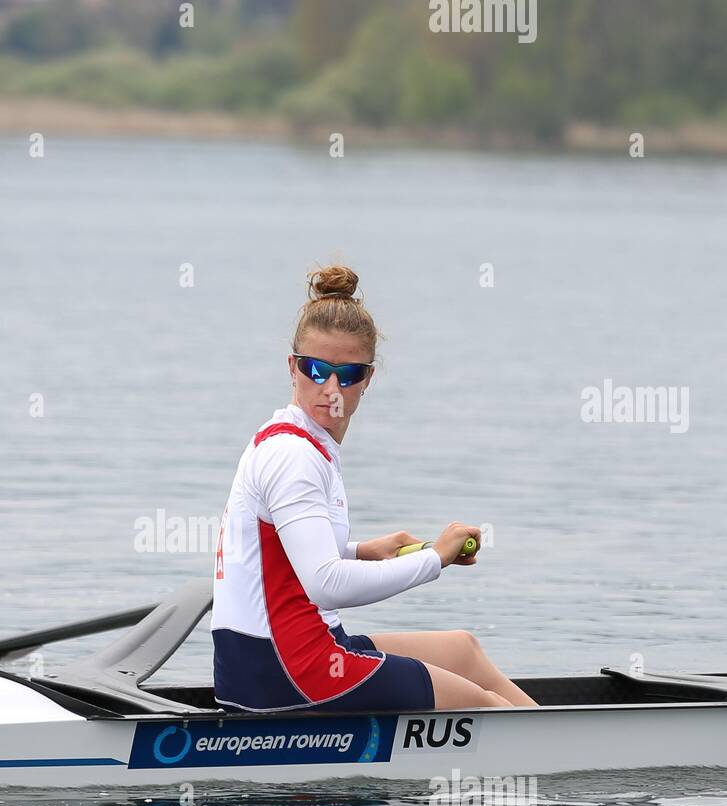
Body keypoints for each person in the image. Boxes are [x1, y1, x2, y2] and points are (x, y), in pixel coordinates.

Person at [210, 265, 537, 713]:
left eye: (347, 374)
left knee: (463, 650)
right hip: (286, 672)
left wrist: (363, 551)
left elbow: (286, 554)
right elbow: (325, 584)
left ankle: (566, 739)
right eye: (315, 369)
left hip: (284, 655)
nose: (331, 389)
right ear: (292, 367)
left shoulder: (294, 439)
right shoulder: (294, 456)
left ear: (368, 379)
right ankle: (551, 744)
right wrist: (435, 559)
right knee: (484, 706)